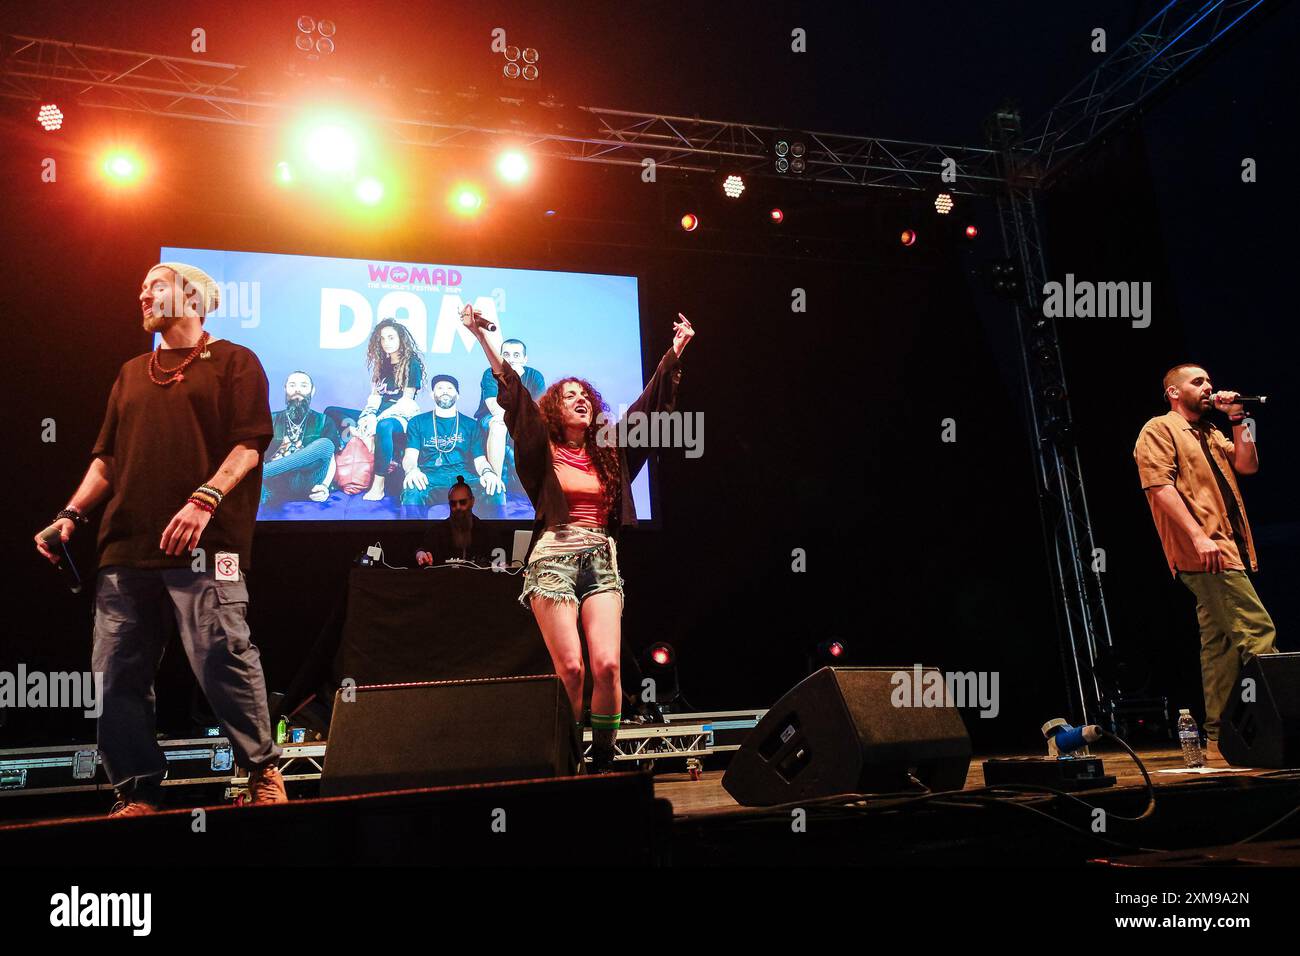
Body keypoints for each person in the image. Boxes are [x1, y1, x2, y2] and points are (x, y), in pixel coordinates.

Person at [34, 262, 287, 816]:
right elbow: (108, 459)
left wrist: (205, 499)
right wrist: (71, 513)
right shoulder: (131, 372)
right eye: (141, 287)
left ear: (191, 297)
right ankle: (138, 789)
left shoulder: (236, 362)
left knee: (223, 654)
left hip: (206, 543)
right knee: (115, 672)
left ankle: (260, 769)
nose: (142, 293)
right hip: (126, 546)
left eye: (155, 285)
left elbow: (249, 445)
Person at [464, 303, 694, 772]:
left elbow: (648, 408)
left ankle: (605, 766)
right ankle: (566, 767)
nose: (580, 399)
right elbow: (514, 392)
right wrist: (482, 338)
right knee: (572, 670)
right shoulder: (537, 443)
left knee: (608, 666)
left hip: (601, 561)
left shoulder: (610, 450)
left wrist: (674, 353)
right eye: (569, 395)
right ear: (555, 408)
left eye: (585, 394)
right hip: (553, 560)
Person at [1134, 363, 1277, 763]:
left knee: (1220, 646)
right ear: (1174, 393)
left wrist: (1239, 419)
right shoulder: (1159, 429)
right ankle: (1283, 724)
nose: (1208, 386)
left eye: (1209, 380)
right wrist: (1198, 537)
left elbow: (1248, 465)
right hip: (1204, 550)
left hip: (1227, 547)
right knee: (1258, 632)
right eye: (1197, 382)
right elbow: (1159, 487)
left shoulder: (1212, 432)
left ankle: (1217, 738)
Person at [325, 319, 424, 501]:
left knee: (383, 427)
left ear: (401, 339)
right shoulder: (382, 364)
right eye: (382, 339)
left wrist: (376, 421)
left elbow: (406, 402)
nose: (386, 342)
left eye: (391, 337)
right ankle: (356, 438)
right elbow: (374, 398)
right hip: (378, 414)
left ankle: (379, 486)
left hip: (400, 416)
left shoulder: (412, 363)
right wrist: (367, 417)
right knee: (330, 411)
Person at [400, 373, 506, 518]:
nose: (445, 391)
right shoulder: (417, 422)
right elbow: (410, 457)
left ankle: (496, 540)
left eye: (450, 388)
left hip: (464, 478)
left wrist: (488, 473)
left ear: (458, 395)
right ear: (432, 394)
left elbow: (480, 460)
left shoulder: (471, 425)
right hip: (429, 477)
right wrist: (412, 471)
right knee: (411, 490)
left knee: (495, 488)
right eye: (440, 388)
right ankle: (413, 540)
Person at [474, 338, 546, 493]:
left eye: (516, 355)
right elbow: (495, 408)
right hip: (491, 419)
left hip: (524, 420)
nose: (511, 359)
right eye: (506, 354)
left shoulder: (535, 376)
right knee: (499, 423)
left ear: (524, 359)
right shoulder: (490, 373)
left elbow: (539, 410)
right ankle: (496, 484)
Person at [261, 370, 340, 508]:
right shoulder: (271, 419)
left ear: (312, 391)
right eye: (292, 385)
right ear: (285, 389)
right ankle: (262, 477)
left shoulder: (324, 421)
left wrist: (324, 486)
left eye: (303, 385)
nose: (297, 389)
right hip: (276, 483)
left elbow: (331, 458)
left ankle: (261, 474)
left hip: (308, 480)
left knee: (326, 445)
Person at [415, 476, 492, 565]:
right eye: (453, 504)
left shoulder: (487, 532)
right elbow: (422, 549)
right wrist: (420, 554)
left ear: (472, 501)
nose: (458, 507)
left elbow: (498, 562)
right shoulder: (436, 531)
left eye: (462, 502)